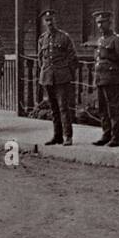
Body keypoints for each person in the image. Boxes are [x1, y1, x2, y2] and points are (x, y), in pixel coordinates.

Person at [91, 9, 119, 147]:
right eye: (98, 23)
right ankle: (106, 134)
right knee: (102, 109)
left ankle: (116, 138)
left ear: (109, 23)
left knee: (114, 109)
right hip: (101, 79)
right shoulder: (100, 40)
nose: (100, 25)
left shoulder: (117, 40)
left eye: (103, 22)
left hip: (112, 79)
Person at [37, 10, 77, 146]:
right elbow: (40, 59)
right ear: (44, 22)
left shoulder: (64, 37)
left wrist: (66, 73)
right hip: (48, 77)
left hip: (61, 78)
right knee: (53, 108)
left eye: (51, 20)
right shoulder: (42, 39)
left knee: (63, 107)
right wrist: (44, 72)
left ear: (56, 20)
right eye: (47, 21)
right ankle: (57, 136)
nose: (49, 23)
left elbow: (72, 57)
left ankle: (68, 136)